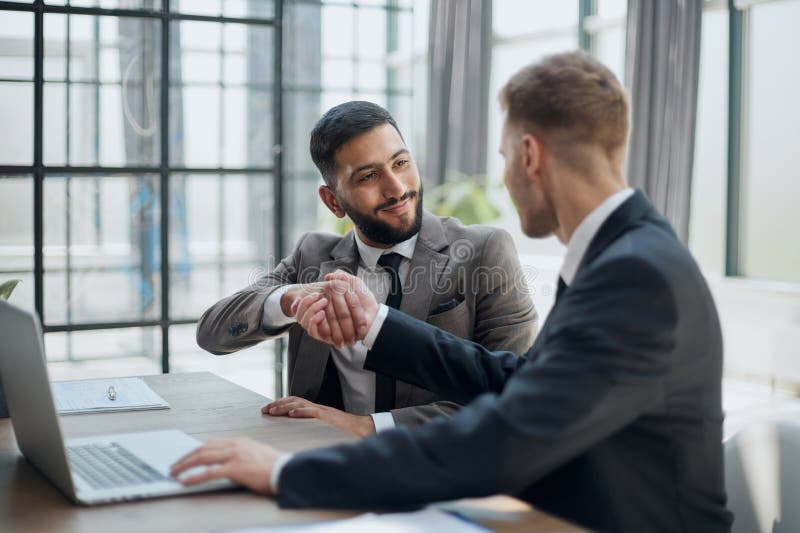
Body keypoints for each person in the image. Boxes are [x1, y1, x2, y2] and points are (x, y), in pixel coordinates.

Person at [173, 52, 732, 532]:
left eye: (506, 158)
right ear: (334, 199)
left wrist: (283, 473)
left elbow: (507, 437)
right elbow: (520, 385)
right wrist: (375, 328)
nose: (506, 178)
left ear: (530, 156)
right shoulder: (628, 255)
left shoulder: (633, 275)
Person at [195, 100, 538, 437]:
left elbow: (514, 395)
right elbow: (212, 333)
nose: (397, 188)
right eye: (369, 176)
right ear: (333, 201)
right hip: (324, 463)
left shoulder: (484, 252)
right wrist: (290, 300)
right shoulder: (313, 256)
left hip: (437, 466)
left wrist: (367, 426)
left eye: (401, 163)